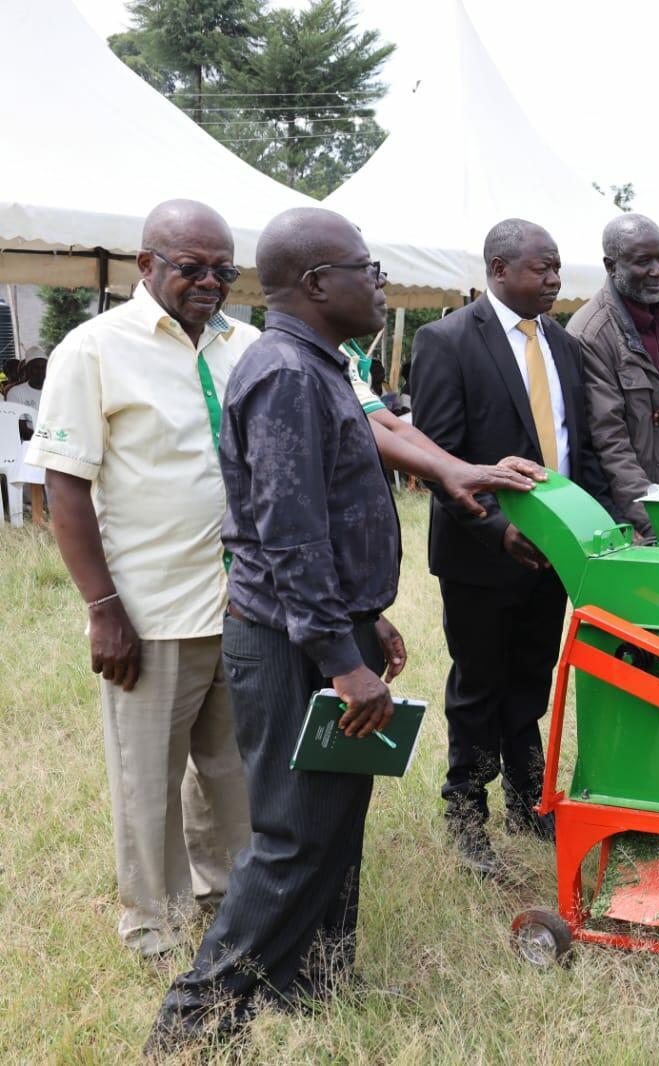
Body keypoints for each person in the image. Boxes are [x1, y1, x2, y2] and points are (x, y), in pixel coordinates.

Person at [148, 207, 404, 1051]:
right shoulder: (288, 372)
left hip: (327, 628)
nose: (380, 283)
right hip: (294, 641)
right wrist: (342, 657)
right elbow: (287, 534)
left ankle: (318, 988)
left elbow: (323, 520)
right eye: (367, 267)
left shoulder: (320, 365)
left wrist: (368, 621)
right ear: (319, 283)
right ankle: (194, 1023)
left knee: (335, 820)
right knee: (294, 834)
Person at [25, 200, 253, 957]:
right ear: (146, 266)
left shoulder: (245, 345)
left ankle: (223, 893)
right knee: (147, 777)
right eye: (191, 266)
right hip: (150, 609)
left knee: (228, 767)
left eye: (224, 268)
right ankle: (152, 923)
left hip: (243, 602)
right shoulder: (93, 350)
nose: (210, 281)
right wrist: (102, 607)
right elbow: (64, 487)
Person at [409, 219, 616, 878]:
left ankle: (528, 800)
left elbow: (573, 448)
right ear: (499, 270)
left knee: (532, 678)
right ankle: (465, 810)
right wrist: (499, 529)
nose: (555, 280)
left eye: (558, 269)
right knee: (478, 684)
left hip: (553, 549)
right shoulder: (444, 340)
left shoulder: (563, 343)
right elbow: (438, 456)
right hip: (482, 550)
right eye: (541, 269)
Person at [569, 213, 659, 539]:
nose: (658, 270)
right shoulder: (591, 333)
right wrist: (655, 524)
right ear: (611, 266)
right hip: (630, 518)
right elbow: (609, 441)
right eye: (643, 261)